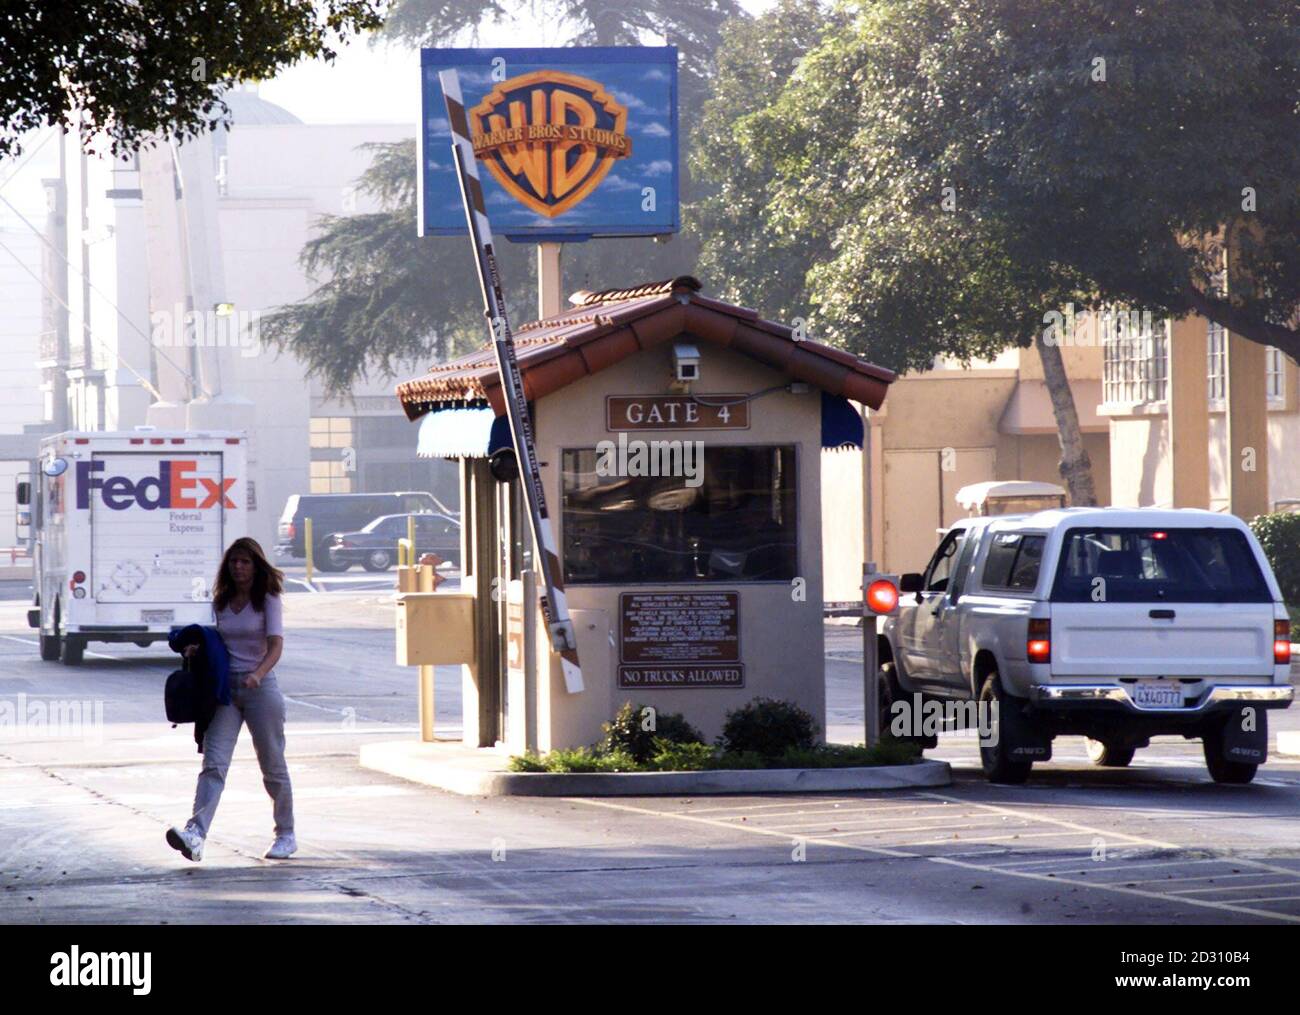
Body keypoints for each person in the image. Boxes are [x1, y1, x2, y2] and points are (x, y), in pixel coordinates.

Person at [166, 537, 296, 862]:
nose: (239, 567)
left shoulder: (267, 598)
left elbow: (276, 645)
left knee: (272, 765)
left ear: (256, 565)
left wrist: (259, 674)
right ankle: (195, 834)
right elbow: (222, 642)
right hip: (226, 691)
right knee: (213, 765)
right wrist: (198, 650)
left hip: (260, 689)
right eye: (234, 561)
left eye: (245, 562)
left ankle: (286, 834)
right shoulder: (222, 600)